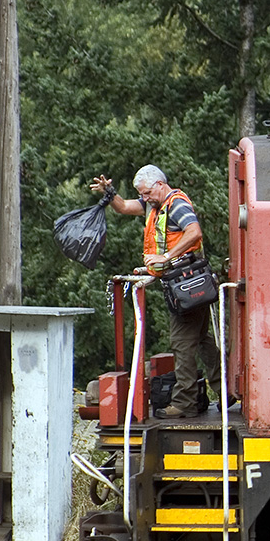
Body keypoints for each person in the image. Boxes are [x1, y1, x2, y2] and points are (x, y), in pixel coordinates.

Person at [90, 165, 222, 418]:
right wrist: (110, 193)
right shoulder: (156, 204)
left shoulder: (176, 205)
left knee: (182, 342)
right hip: (183, 283)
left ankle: (185, 403)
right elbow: (124, 207)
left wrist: (166, 256)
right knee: (201, 338)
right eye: (142, 194)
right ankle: (225, 389)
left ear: (160, 185)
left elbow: (194, 232)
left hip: (188, 283)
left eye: (147, 193)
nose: (145, 198)